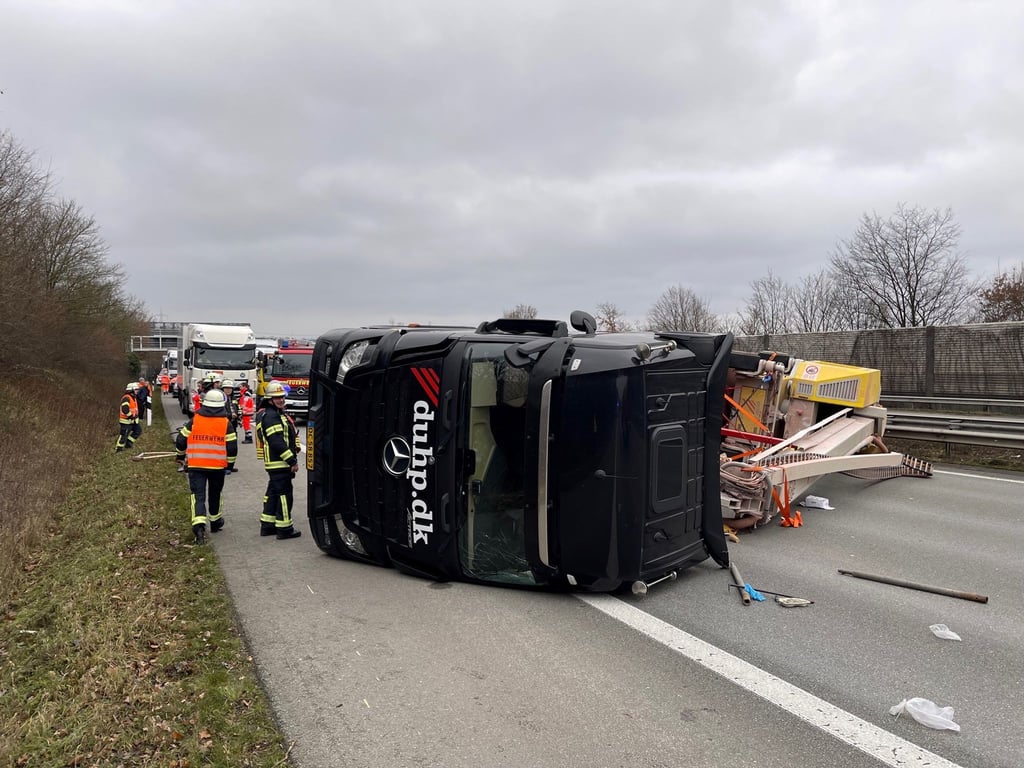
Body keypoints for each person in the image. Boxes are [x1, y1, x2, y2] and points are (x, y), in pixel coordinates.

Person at [175, 388, 238, 544]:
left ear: (204, 404)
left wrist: (180, 456)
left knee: (198, 496)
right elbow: (232, 448)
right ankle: (215, 522)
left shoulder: (195, 420)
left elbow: (181, 440)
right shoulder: (226, 423)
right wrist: (230, 465)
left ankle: (199, 527)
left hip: (196, 466)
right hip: (217, 467)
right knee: (215, 493)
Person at [256, 380, 302, 539]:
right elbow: (276, 441)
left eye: (282, 396)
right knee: (284, 495)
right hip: (279, 463)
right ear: (269, 400)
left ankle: (267, 525)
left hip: (277, 463)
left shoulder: (276, 414)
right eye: (277, 398)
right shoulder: (271, 416)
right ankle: (284, 529)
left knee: (274, 493)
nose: (281, 400)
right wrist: (292, 461)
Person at [115, 382, 141, 453]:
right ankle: (119, 449)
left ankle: (128, 443)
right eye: (136, 389)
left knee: (138, 431)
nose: (137, 391)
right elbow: (125, 409)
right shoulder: (126, 398)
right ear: (131, 390)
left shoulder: (133, 397)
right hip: (126, 421)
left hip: (133, 421)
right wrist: (131, 415)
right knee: (124, 435)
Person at [221, 380, 240, 472]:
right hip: (224, 426)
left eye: (230, 388)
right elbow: (220, 412)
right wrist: (230, 415)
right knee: (225, 447)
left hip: (233, 425)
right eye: (226, 388)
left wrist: (239, 416)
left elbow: (237, 408)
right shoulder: (221, 399)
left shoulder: (234, 398)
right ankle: (224, 466)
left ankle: (230, 466)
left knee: (233, 447)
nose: (228, 390)